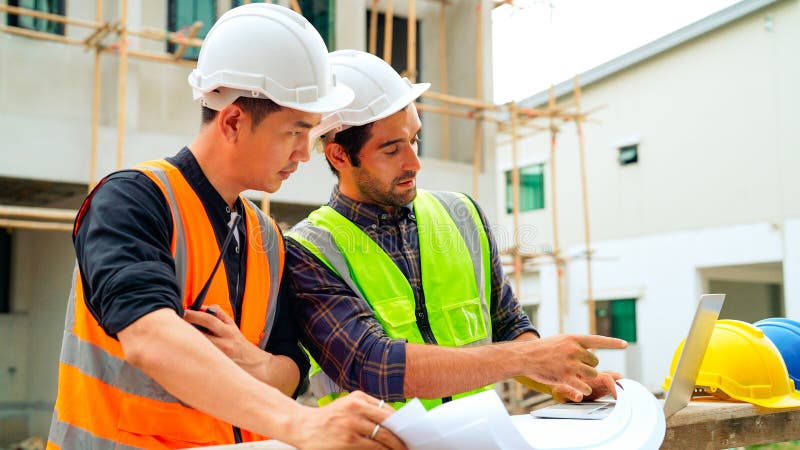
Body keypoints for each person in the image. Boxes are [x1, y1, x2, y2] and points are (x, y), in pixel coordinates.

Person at [47, 6, 403, 450]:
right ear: (233, 121)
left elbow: (290, 367)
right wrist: (303, 424)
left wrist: (256, 365)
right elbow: (149, 336)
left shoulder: (266, 237)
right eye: (295, 132)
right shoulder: (131, 200)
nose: (304, 153)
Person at [286, 50, 627, 410]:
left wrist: (565, 379)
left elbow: (507, 325)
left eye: (414, 140)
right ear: (339, 156)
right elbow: (376, 364)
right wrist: (526, 358)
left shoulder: (462, 215)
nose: (414, 163)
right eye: (391, 150)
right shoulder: (308, 250)